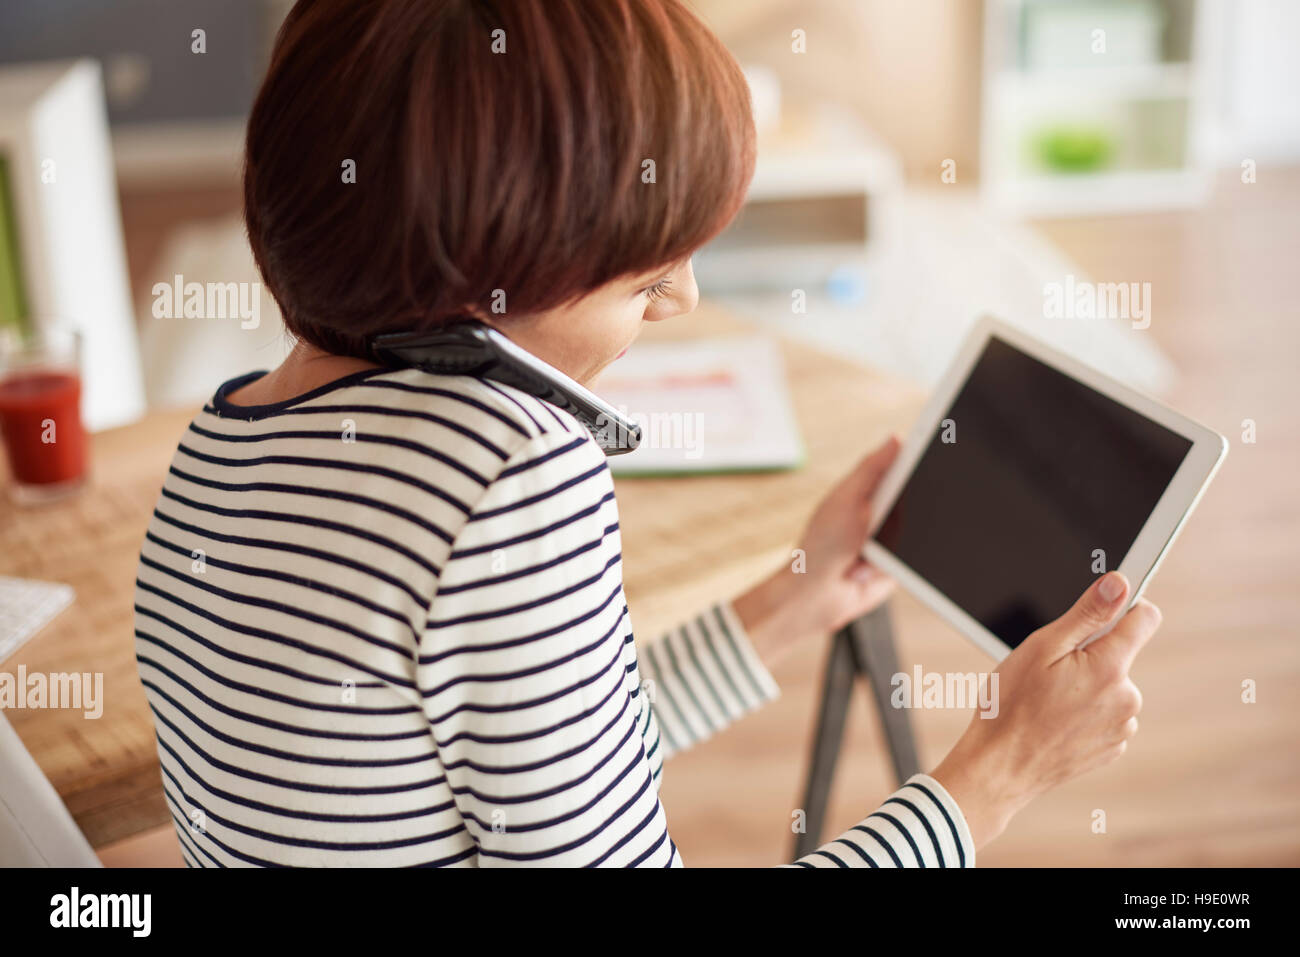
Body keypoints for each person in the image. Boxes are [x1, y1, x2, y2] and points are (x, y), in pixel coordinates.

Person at [134, 0, 1158, 867]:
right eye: (643, 273)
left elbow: (528, 785)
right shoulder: (506, 470)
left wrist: (783, 604)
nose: (682, 300)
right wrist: (996, 773)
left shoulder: (216, 448)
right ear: (494, 266)